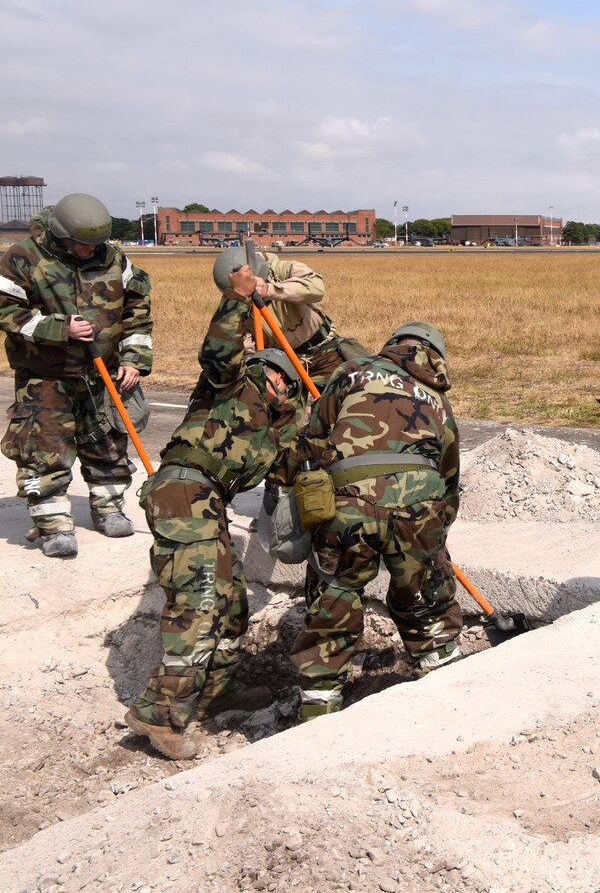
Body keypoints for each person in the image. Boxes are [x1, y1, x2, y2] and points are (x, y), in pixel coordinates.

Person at [124, 247, 307, 760]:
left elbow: (293, 470)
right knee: (202, 603)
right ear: (262, 370)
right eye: (277, 378)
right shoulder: (227, 384)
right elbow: (219, 353)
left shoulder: (275, 427)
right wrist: (236, 300)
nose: (281, 388)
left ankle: (218, 687)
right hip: (183, 490)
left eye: (289, 387)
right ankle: (159, 713)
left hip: (209, 504)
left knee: (230, 602)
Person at [285, 321, 462, 721]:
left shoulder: (351, 372)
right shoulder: (438, 400)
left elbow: (312, 442)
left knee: (335, 591)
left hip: (350, 502)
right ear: (436, 356)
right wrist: (434, 538)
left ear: (393, 345)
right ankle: (439, 684)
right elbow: (450, 476)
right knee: (425, 597)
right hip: (422, 504)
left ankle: (319, 705)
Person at [0, 193, 152, 558]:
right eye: (82, 245)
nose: (90, 251)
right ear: (61, 235)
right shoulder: (23, 257)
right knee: (44, 448)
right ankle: (52, 524)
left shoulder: (113, 257)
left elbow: (138, 308)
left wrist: (133, 359)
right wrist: (58, 329)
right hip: (46, 377)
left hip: (105, 375)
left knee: (108, 443)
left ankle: (109, 507)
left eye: (95, 245)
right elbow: (5, 309)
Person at [242, 246, 365, 391]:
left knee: (354, 394)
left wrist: (269, 290)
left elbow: (316, 288)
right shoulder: (237, 300)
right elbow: (245, 345)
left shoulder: (284, 269)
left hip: (324, 354)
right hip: (283, 365)